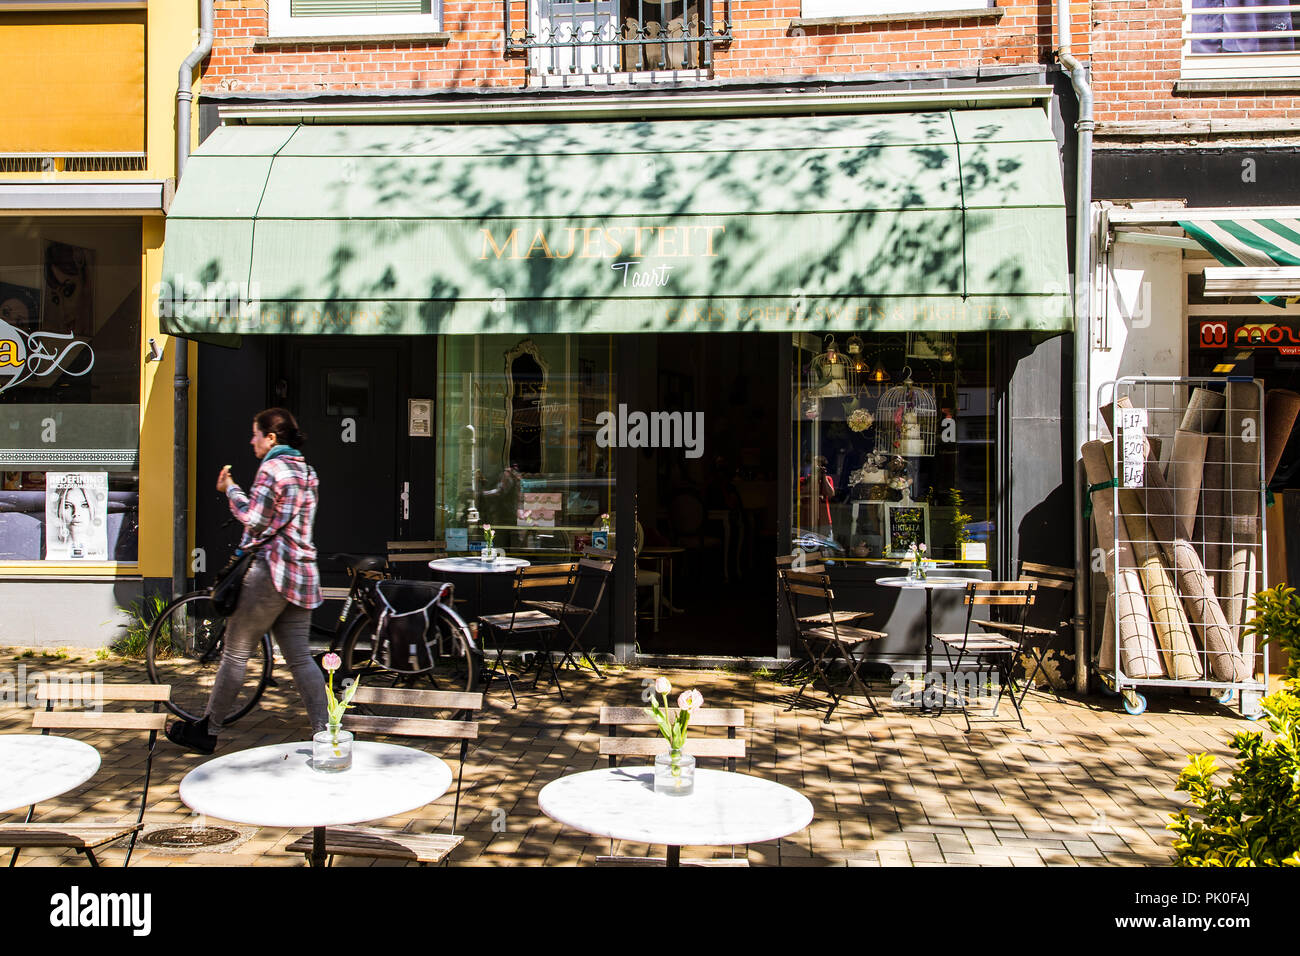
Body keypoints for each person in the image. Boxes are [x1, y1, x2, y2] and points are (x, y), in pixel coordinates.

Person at [165, 408, 329, 754]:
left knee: (236, 653)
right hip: (301, 574)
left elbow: (255, 520)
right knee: (300, 659)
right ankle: (327, 732)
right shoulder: (307, 471)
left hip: (270, 573)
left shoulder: (272, 467)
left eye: (256, 434)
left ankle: (207, 730)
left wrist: (231, 489)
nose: (251, 440)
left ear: (272, 438)